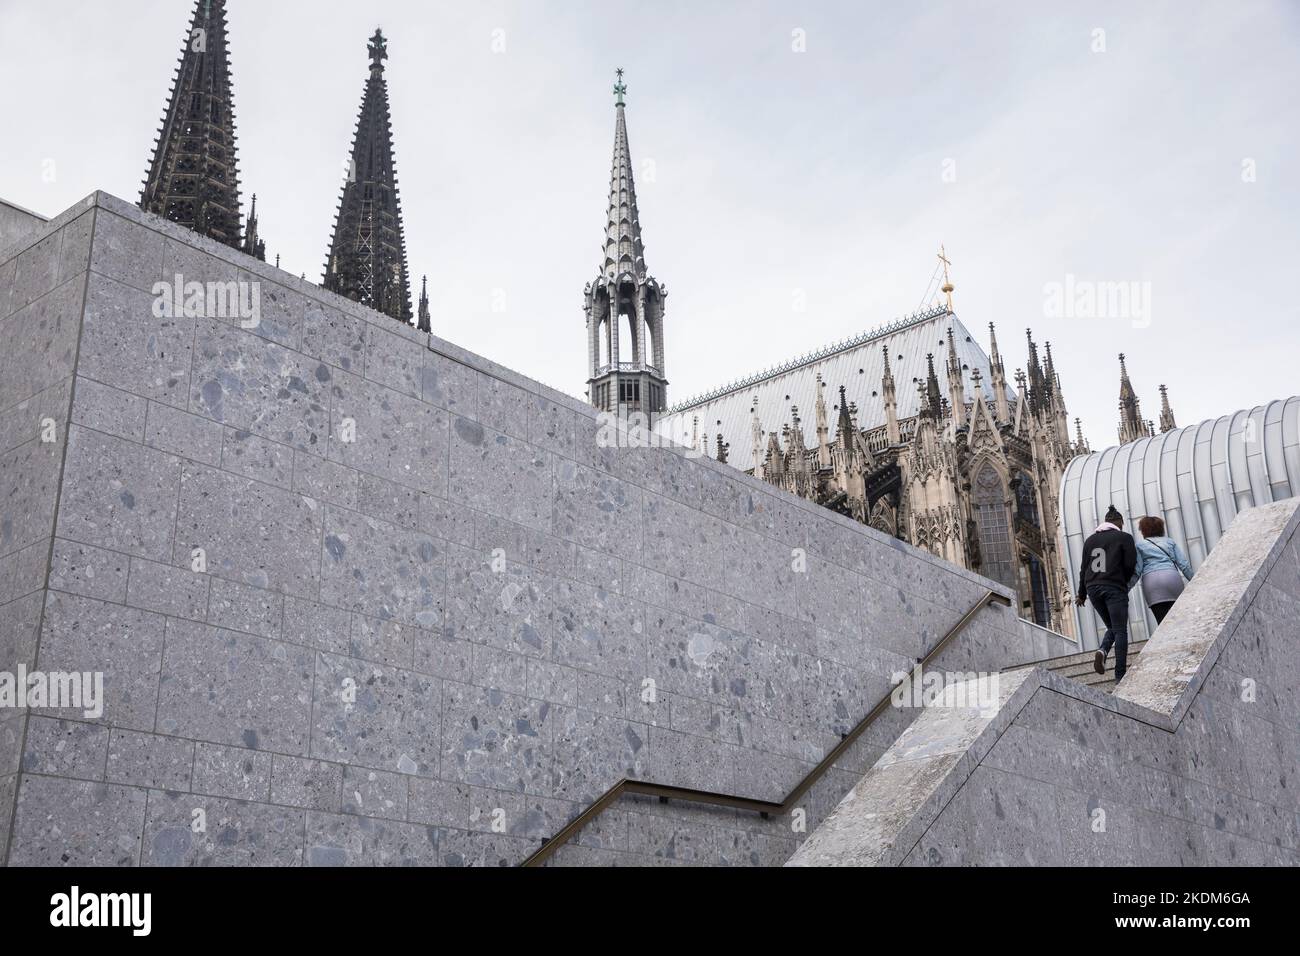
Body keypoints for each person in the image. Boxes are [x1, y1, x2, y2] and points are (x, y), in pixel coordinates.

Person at [1075, 505, 1138, 681]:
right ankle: (1120, 675)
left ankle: (1103, 651)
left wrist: (1081, 594)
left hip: (1093, 588)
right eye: (1122, 524)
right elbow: (1130, 565)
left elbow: (1083, 569)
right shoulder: (1124, 537)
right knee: (1120, 630)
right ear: (1119, 523)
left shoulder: (1089, 541)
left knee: (1113, 626)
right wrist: (1122, 582)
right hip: (1114, 587)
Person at [1135, 515, 1194, 624]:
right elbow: (1184, 565)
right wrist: (1196, 582)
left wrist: (1126, 588)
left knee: (1162, 623)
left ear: (1143, 530)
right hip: (1172, 578)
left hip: (1151, 583)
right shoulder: (1169, 542)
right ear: (1161, 528)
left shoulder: (1139, 545)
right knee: (1179, 621)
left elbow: (1137, 570)